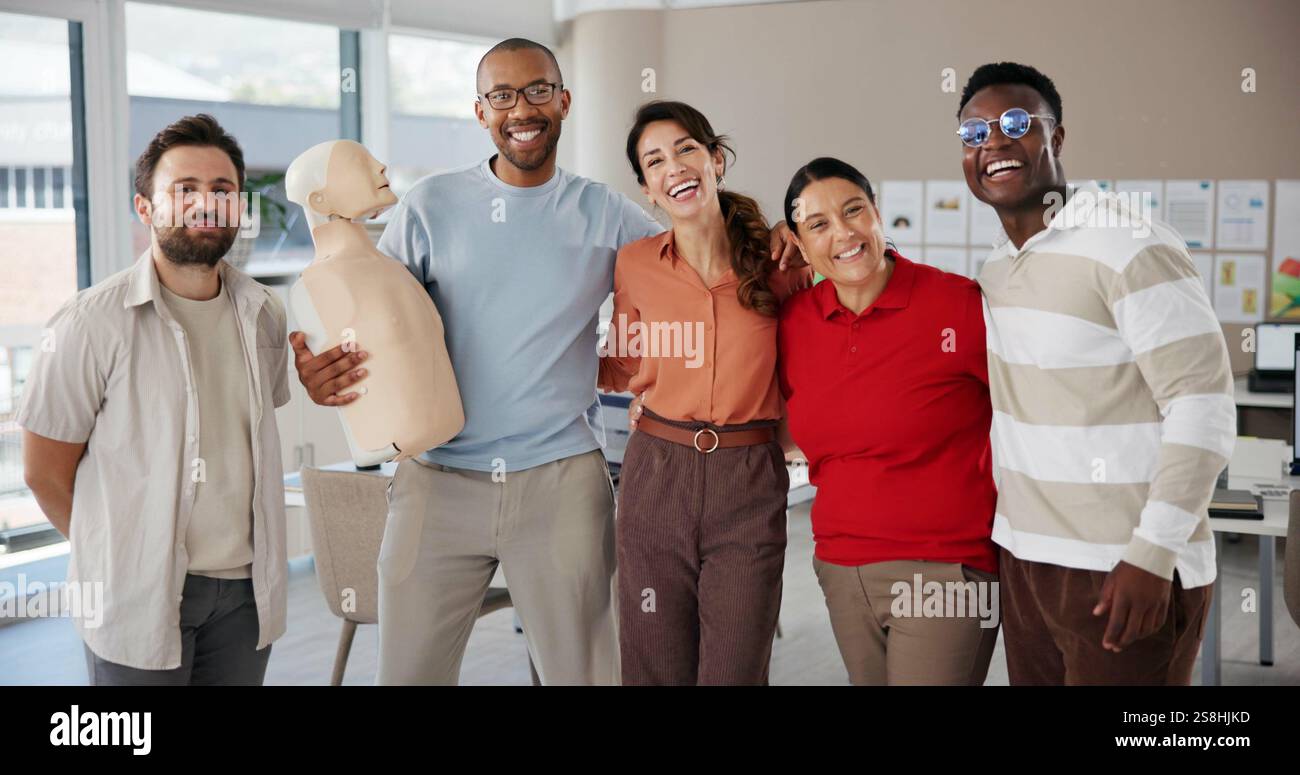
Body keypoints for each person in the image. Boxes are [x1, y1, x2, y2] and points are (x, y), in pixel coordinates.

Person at [289, 39, 801, 685]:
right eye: (500, 95)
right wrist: (322, 374)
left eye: (536, 90)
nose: (520, 108)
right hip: (434, 483)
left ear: (563, 101)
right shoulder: (427, 208)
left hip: (560, 484)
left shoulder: (607, 215)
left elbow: (701, 251)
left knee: (585, 675)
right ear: (481, 112)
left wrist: (778, 233)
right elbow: (377, 335)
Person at [958, 62, 1234, 685]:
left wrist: (1153, 552)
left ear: (1055, 139)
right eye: (974, 134)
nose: (993, 143)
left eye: (1016, 124)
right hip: (1027, 560)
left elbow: (1202, 403)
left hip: (1123, 565)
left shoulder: (1128, 242)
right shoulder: (997, 266)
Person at [19, 114, 291, 685]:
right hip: (136, 598)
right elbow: (45, 471)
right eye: (183, 189)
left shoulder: (265, 312)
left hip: (247, 596)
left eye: (222, 190)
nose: (205, 204)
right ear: (145, 208)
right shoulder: (90, 321)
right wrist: (123, 558)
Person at [599, 101, 810, 685]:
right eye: (655, 160)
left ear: (715, 160)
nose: (674, 167)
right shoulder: (635, 264)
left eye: (686, 149)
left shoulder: (782, 263)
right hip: (655, 475)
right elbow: (620, 363)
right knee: (652, 664)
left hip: (749, 477)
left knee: (737, 668)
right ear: (646, 189)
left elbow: (816, 356)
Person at [777, 157, 999, 685]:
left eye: (854, 211)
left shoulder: (958, 305)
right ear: (800, 244)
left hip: (945, 568)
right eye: (819, 224)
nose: (845, 232)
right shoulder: (793, 323)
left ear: (877, 214)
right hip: (839, 565)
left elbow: (1032, 413)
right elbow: (781, 431)